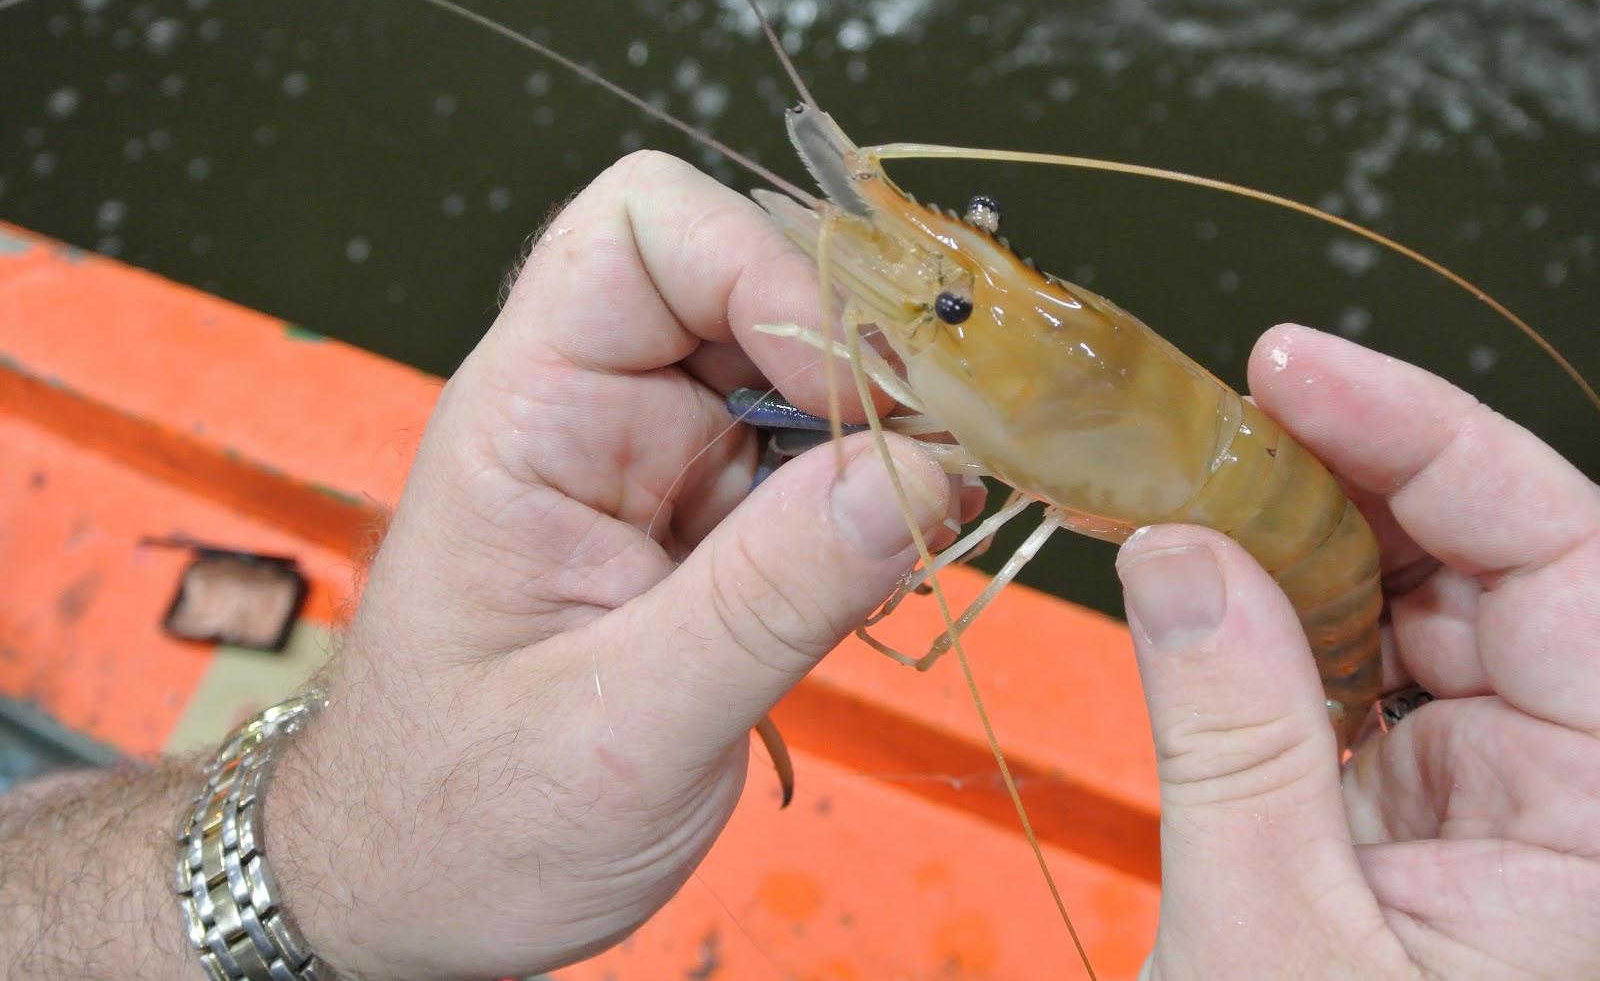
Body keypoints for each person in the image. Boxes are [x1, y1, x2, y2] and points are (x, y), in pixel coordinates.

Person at [2, 151, 1598, 980]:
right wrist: (345, 853)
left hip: (1329, 618)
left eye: (969, 287)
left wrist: (308, 876)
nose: (929, 269)